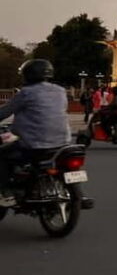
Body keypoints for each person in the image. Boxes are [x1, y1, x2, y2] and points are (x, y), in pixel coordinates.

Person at [0, 59, 71, 206]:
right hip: (62, 143)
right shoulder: (60, 91)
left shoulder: (26, 93)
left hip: (35, 144)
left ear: (27, 75)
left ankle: (5, 192)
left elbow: (6, 112)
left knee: (2, 156)